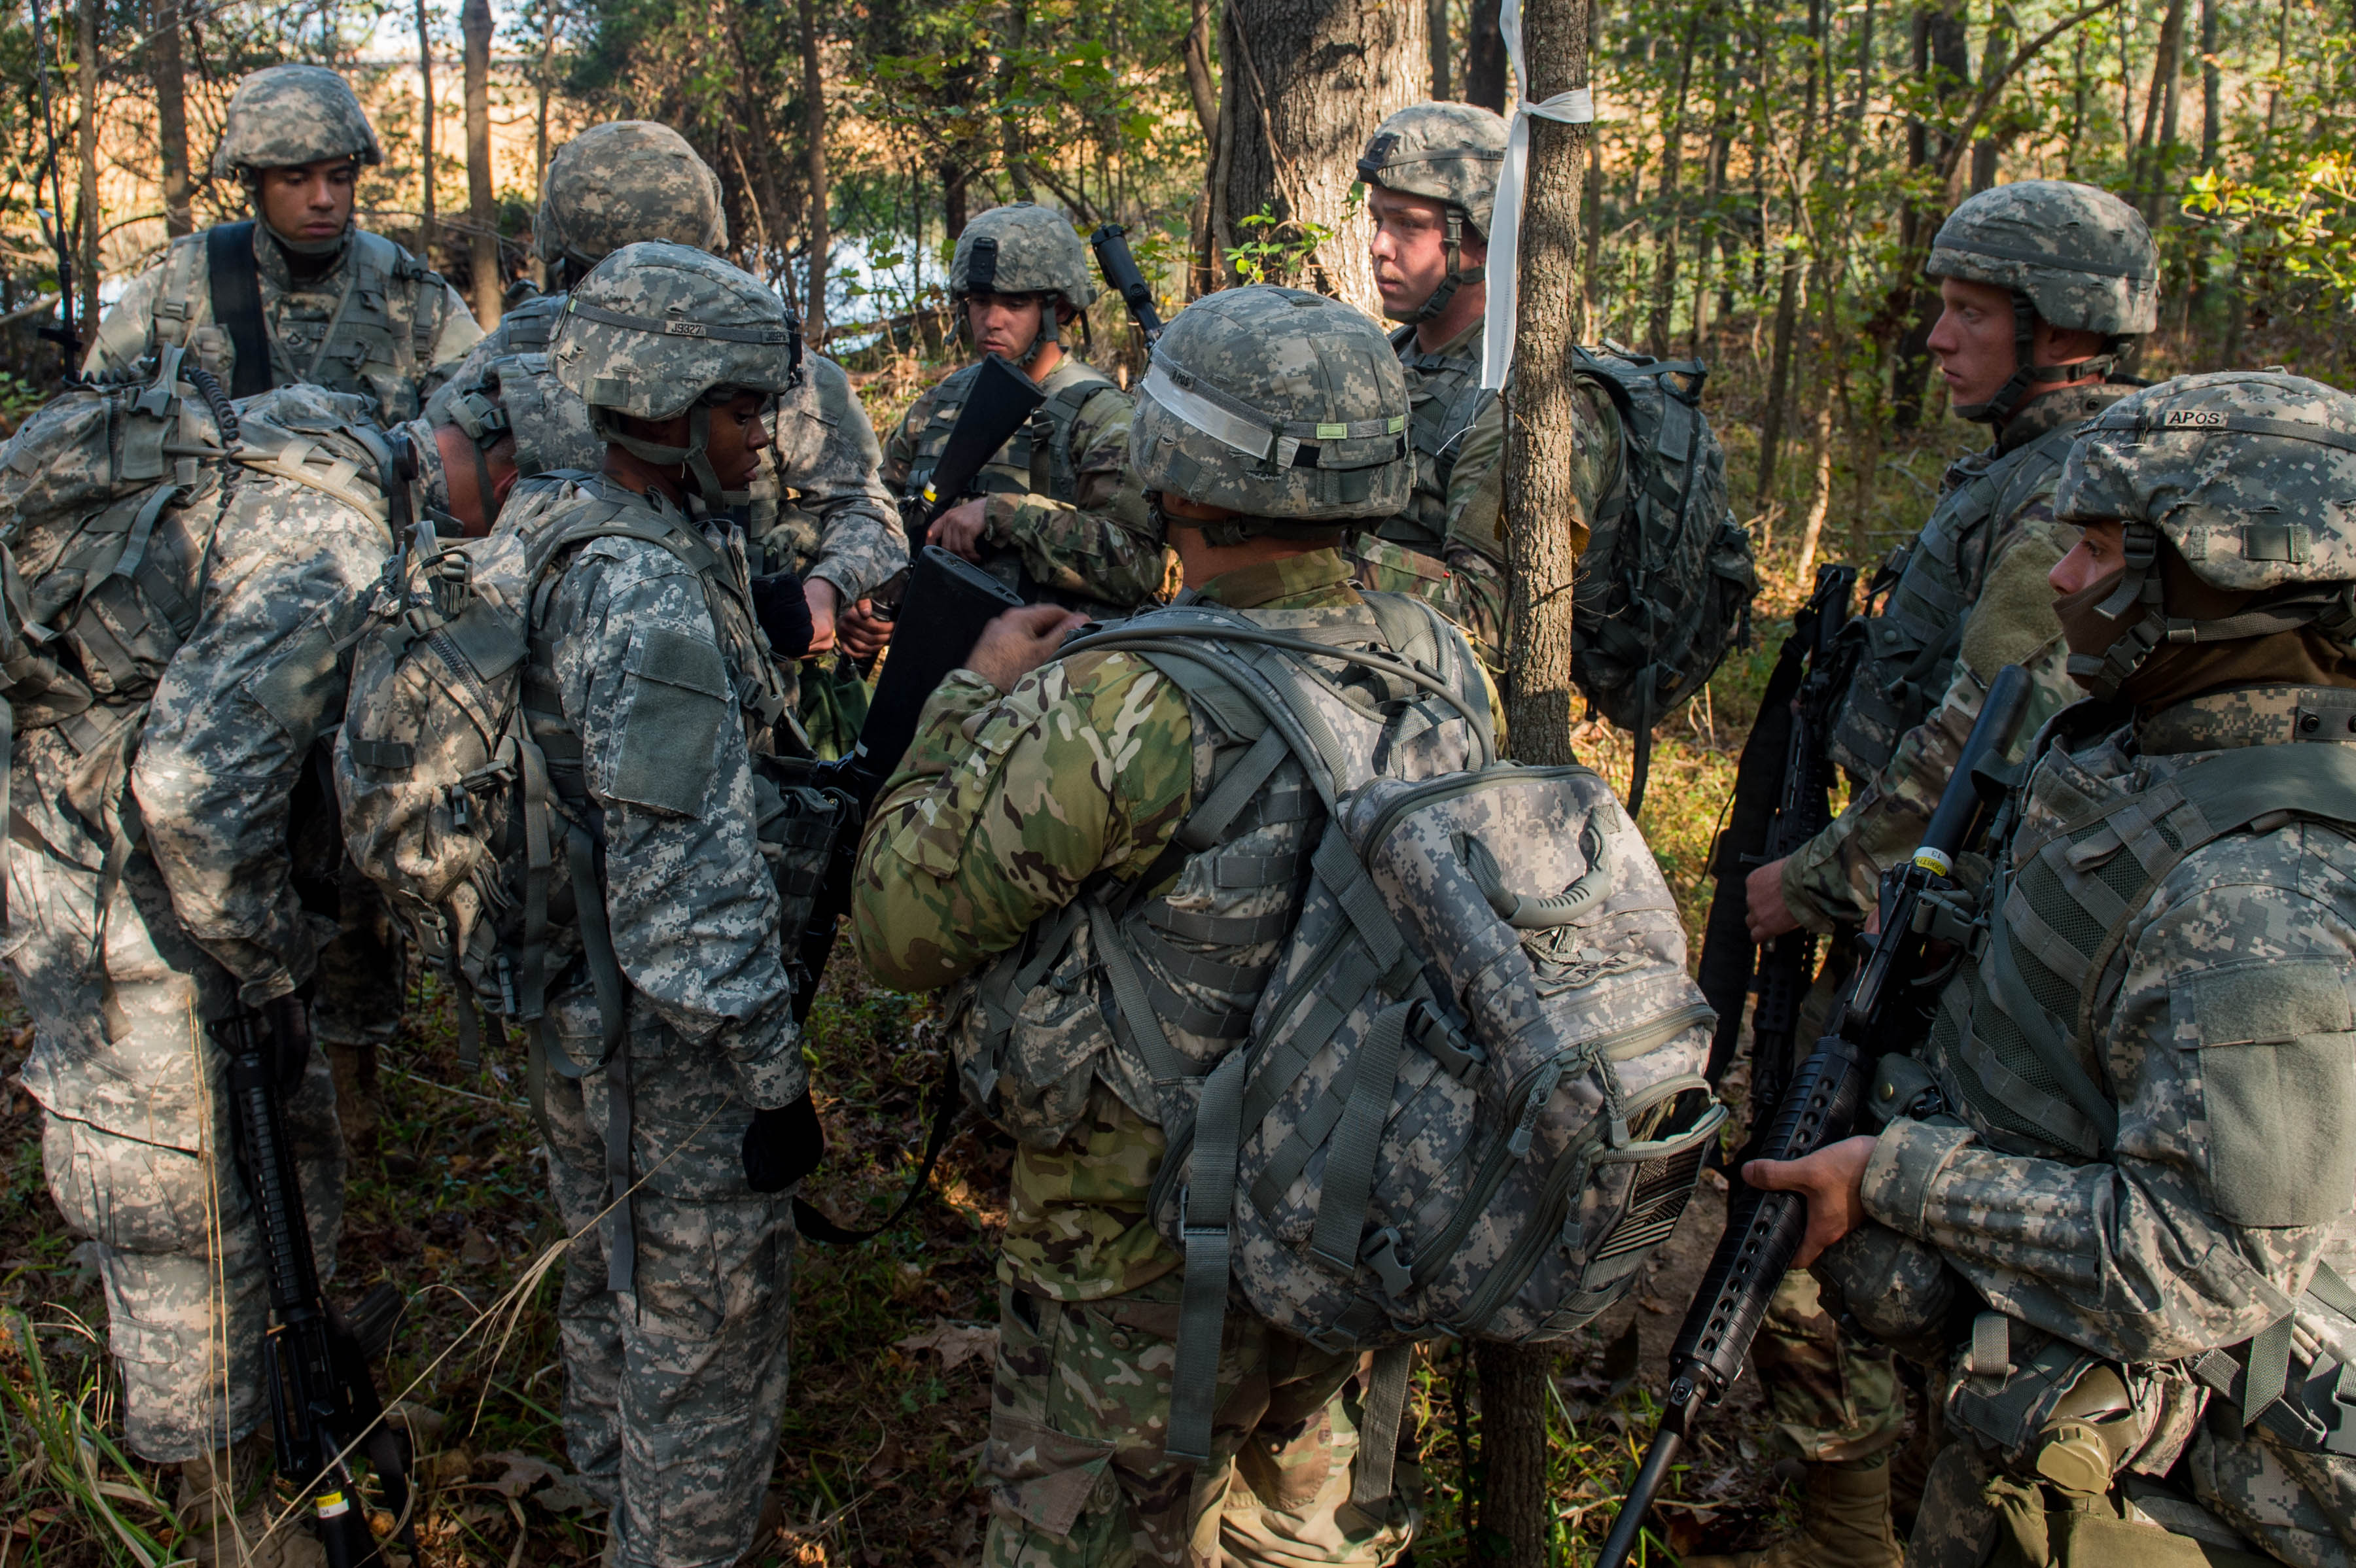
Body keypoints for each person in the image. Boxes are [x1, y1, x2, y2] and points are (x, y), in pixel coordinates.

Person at [850, 283, 1483, 1567]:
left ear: (1177, 465)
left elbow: (898, 924)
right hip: (1350, 1222)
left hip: (1130, 1274)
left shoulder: (1122, 707)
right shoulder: (1437, 657)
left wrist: (973, 702)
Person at [1744, 368, 2356, 1567]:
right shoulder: (2143, 763)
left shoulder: (2259, 891)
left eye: (2095, 547)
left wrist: (1901, 1174)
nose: (2064, 581)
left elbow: (2202, 1263)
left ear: (2232, 580)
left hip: (2212, 1486)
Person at [1693, 179, 2163, 1568]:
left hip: (1961, 933)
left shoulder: (2074, 490)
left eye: (1970, 315)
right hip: (1943, 914)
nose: (1940, 340)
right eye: (1944, 309)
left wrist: (1829, 874)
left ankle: (1859, 1529)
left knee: (1830, 1221)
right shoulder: (2025, 469)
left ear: (2061, 332)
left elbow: (1991, 727)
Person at [0, 359, 501, 1565]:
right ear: (483, 463)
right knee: (179, 1179)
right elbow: (189, 790)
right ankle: (222, 1494)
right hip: (102, 857)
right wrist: (268, 964)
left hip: (153, 844)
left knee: (279, 1137)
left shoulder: (318, 444)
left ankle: (301, 1400)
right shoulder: (329, 545)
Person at [482, 241, 814, 1568]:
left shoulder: (557, 522)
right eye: (742, 410)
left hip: (577, 1000)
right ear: (669, 412)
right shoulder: (641, 590)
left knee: (608, 1270)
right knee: (705, 1330)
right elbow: (687, 906)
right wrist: (776, 1084)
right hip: (664, 1039)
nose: (763, 435)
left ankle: (610, 1479)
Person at [428, 119, 904, 677]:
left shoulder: (764, 358)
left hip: (731, 671)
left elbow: (868, 512)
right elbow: (438, 503)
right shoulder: (518, 346)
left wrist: (823, 591)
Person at [1349, 101, 1622, 667]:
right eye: (1378, 219)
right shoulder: (1389, 359)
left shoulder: (1529, 400)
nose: (1378, 245)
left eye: (1408, 224)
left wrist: (1307, 555)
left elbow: (1488, 620)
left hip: (1450, 716)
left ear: (1482, 238)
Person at [86, 64, 482, 423]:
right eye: (296, 180)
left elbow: (477, 429)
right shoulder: (178, 287)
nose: (323, 198)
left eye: (340, 178)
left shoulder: (410, 293)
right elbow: (90, 419)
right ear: (254, 183)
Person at [881, 201, 1166, 618]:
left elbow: (1136, 567)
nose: (992, 320)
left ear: (1060, 310)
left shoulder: (1102, 416)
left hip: (1049, 670)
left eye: (1014, 305)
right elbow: (880, 512)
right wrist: (872, 596)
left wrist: (1009, 516)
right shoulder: (939, 405)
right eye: (980, 301)